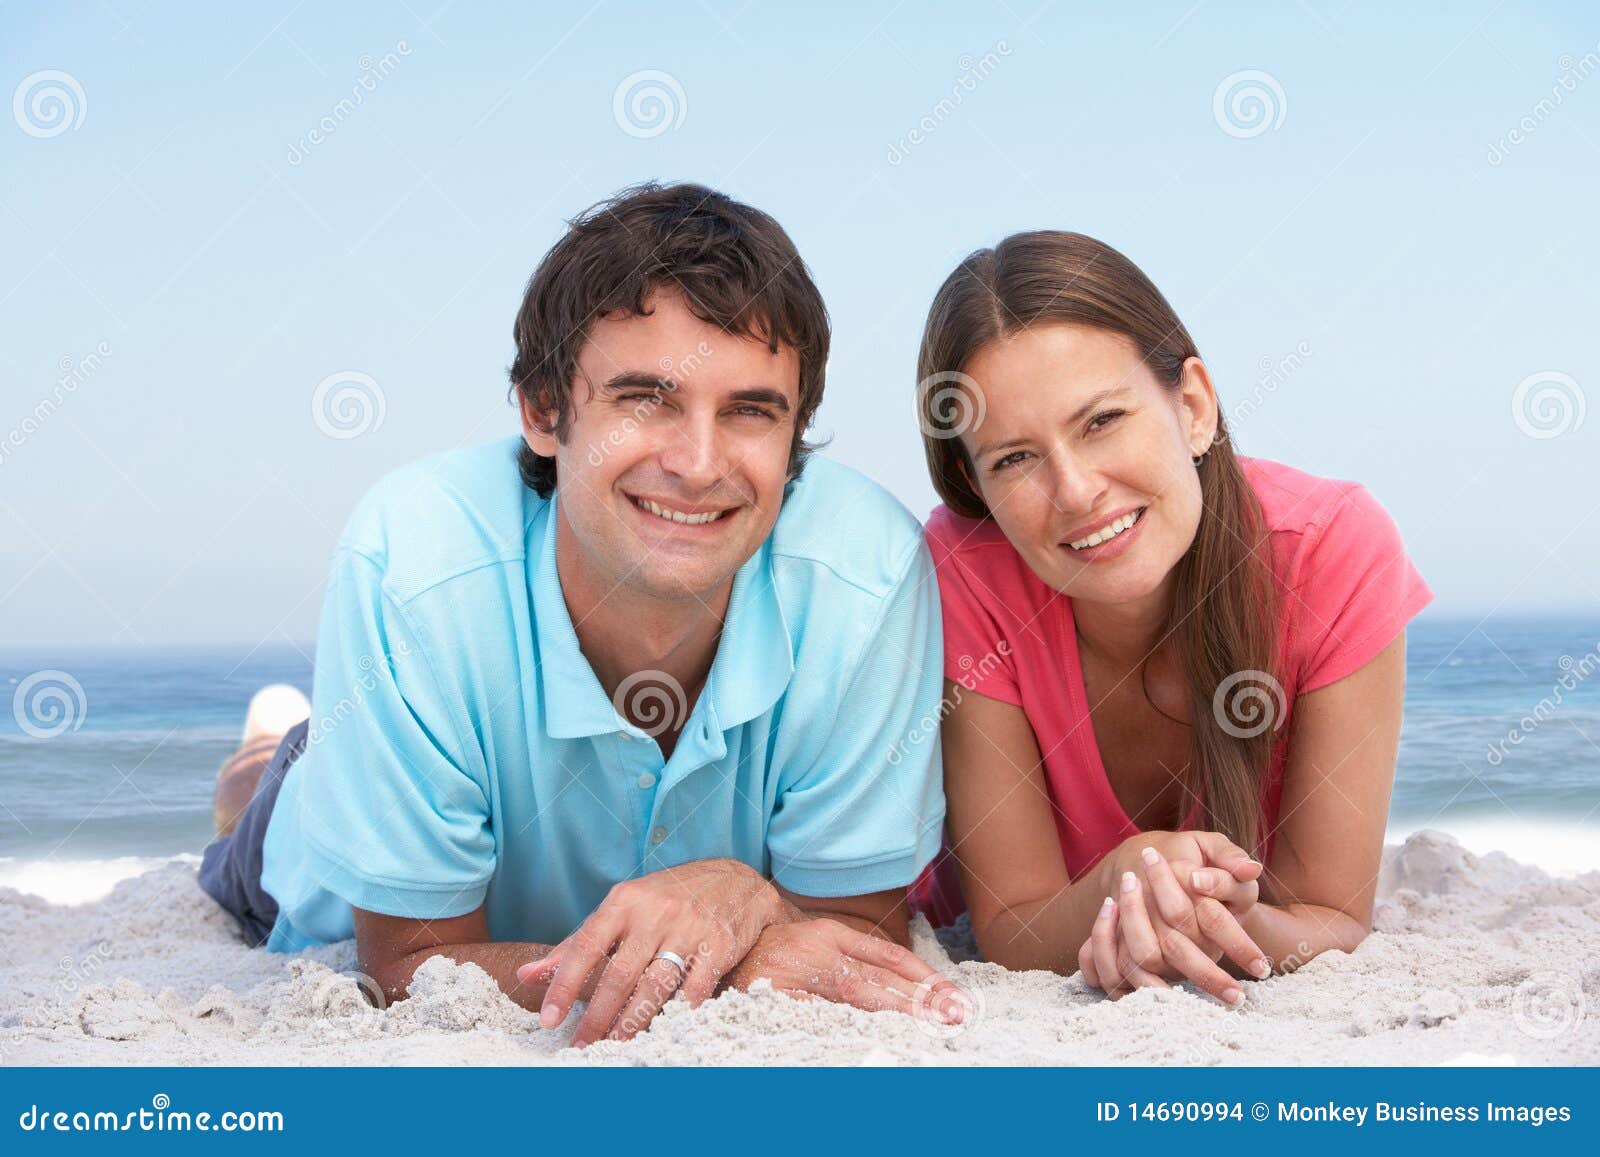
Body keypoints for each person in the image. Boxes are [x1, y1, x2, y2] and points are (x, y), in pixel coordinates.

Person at [200, 181, 963, 1046]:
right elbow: (405, 963)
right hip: (316, 826)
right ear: (542, 410)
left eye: (751, 411)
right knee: (258, 799)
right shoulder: (410, 567)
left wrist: (740, 891)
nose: (699, 462)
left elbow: (852, 932)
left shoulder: (866, 575)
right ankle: (266, 749)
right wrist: (743, 958)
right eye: (646, 399)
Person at [909, 230, 1433, 1003]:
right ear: (972, 482)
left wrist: (1198, 910)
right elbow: (1011, 927)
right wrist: (1125, 884)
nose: (1077, 490)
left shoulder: (1331, 553)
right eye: (1015, 458)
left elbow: (1332, 917)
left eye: (1102, 421)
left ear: (1192, 406)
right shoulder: (963, 574)